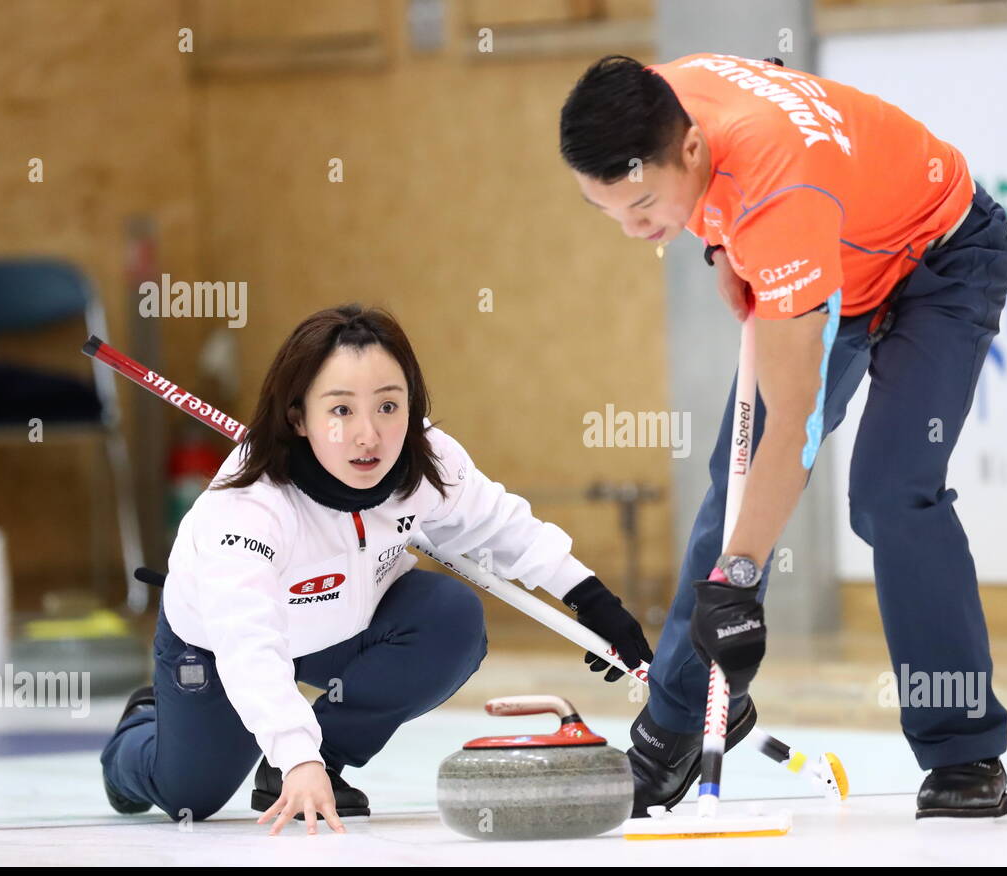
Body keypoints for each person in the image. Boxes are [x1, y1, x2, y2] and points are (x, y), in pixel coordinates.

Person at [560, 54, 1007, 818]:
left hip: (940, 256)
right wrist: (717, 243)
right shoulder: (651, 96)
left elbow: (795, 425)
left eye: (641, 205)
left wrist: (737, 582)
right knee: (730, 479)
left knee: (890, 493)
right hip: (832, 244)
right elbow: (769, 78)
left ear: (693, 150)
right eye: (607, 211)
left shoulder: (779, 195)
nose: (634, 229)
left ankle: (963, 747)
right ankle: (686, 717)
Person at [100, 305, 651, 835]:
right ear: (298, 416)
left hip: (347, 627)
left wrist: (591, 599)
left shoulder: (426, 461)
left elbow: (502, 527)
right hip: (220, 648)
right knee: (188, 797)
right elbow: (248, 642)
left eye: (388, 406)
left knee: (450, 618)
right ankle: (143, 727)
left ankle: (328, 757)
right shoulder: (251, 507)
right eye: (340, 410)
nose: (369, 435)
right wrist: (295, 754)